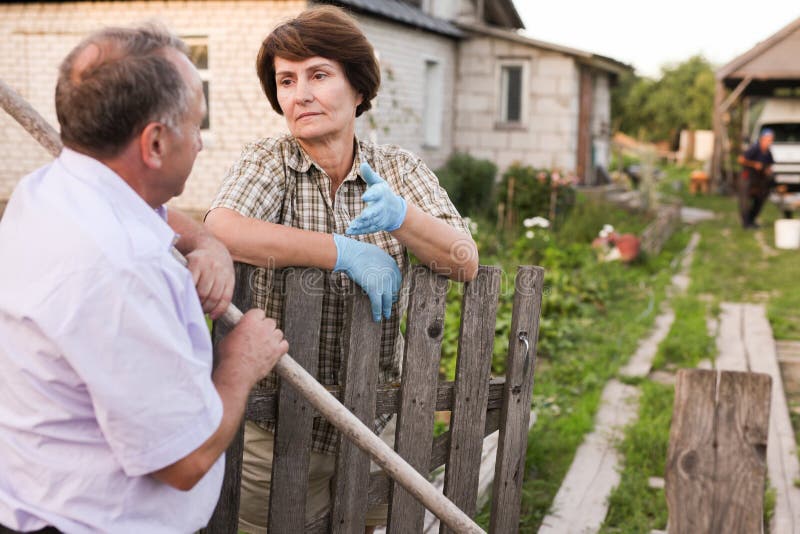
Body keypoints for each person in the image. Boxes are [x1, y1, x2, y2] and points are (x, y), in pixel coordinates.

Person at [0, 25, 288, 533]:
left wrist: (205, 241)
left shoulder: (48, 191)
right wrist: (241, 364)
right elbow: (183, 462)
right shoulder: (120, 272)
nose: (200, 142)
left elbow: (148, 213)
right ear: (154, 142)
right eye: (196, 125)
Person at [204, 6, 478, 533]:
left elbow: (463, 260)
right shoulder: (270, 160)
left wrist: (402, 216)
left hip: (378, 418)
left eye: (319, 75)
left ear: (358, 89)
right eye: (287, 80)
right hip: (275, 421)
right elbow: (222, 228)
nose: (300, 93)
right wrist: (340, 250)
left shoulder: (398, 168)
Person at [738, 128, 775, 229]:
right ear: (763, 139)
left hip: (759, 180)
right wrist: (754, 164)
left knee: (760, 198)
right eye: (768, 139)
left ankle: (751, 220)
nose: (770, 141)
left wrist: (768, 170)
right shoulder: (754, 148)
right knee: (744, 201)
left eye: (771, 139)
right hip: (747, 177)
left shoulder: (768, 153)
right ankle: (746, 223)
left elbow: (769, 166)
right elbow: (741, 159)